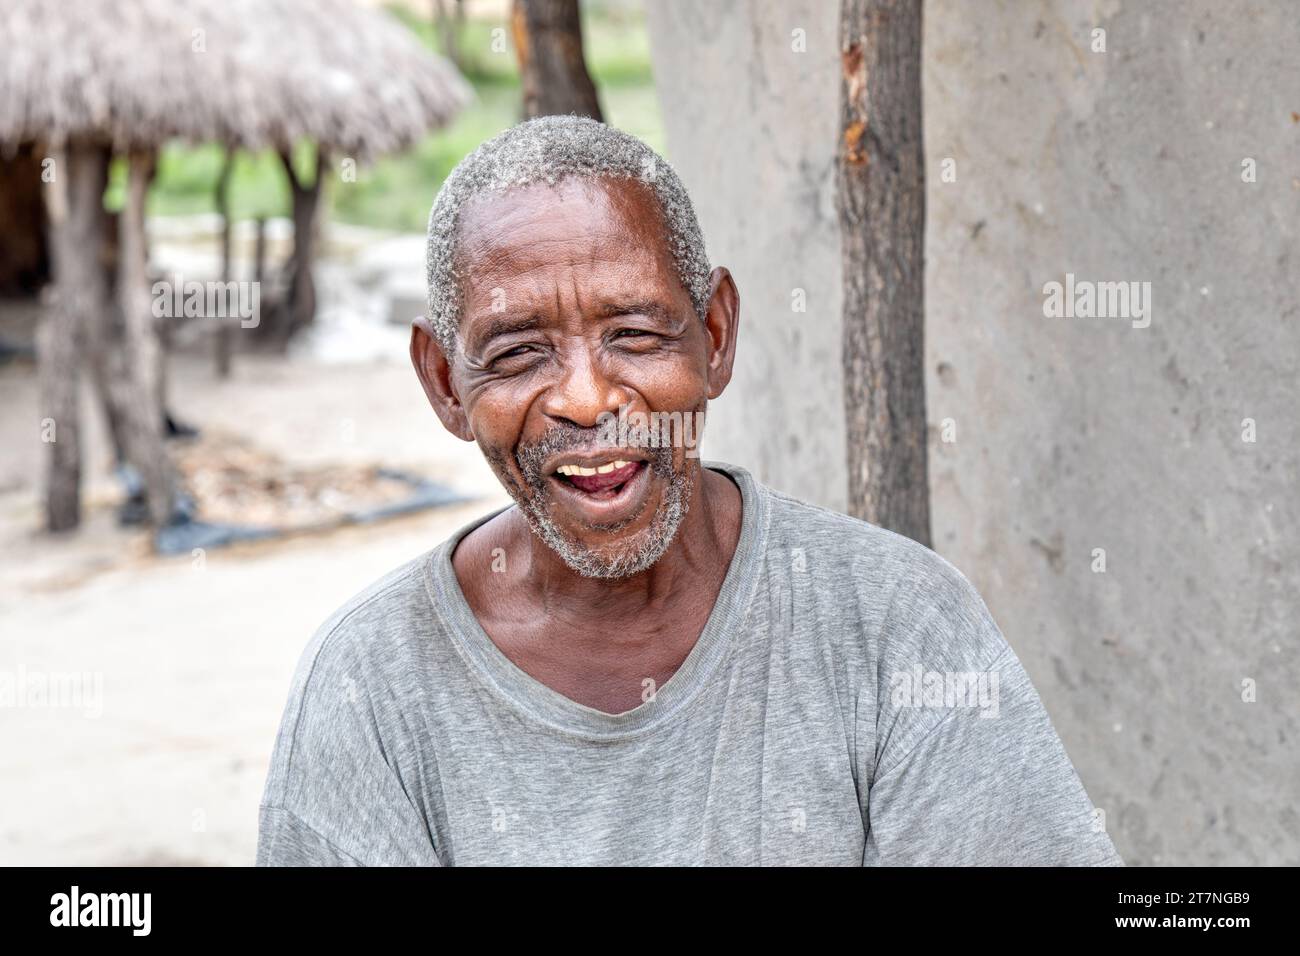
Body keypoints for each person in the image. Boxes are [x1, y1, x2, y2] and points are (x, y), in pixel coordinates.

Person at [255, 116, 1123, 866]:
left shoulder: (897, 626)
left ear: (714, 335)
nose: (587, 399)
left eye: (635, 334)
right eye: (519, 352)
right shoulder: (370, 687)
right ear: (445, 383)